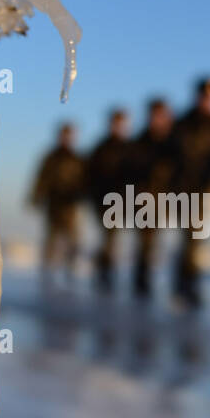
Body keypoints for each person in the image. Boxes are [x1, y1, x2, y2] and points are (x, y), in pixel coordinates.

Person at [170, 76, 210, 307]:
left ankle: (188, 284)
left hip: (208, 191)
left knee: (197, 239)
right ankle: (186, 286)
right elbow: (167, 157)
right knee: (191, 239)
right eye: (206, 97)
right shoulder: (182, 125)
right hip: (184, 191)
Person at [125, 97, 178, 299]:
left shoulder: (173, 143)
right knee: (146, 241)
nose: (157, 120)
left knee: (183, 239)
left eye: (161, 116)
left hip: (171, 198)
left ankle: (179, 283)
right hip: (144, 199)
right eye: (155, 115)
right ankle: (142, 281)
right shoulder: (139, 142)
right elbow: (129, 171)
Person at [27, 122, 86, 282]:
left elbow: (85, 181)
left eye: (69, 135)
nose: (66, 138)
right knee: (51, 240)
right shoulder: (51, 158)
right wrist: (35, 197)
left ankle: (71, 272)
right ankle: (47, 273)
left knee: (73, 241)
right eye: (64, 135)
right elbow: (41, 179)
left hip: (70, 208)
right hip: (53, 206)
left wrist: (83, 196)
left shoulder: (78, 159)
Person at [85, 107, 131, 293]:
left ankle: (109, 274)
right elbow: (89, 175)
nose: (119, 127)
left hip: (124, 201)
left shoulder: (129, 148)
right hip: (105, 203)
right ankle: (104, 275)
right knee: (109, 239)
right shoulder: (101, 149)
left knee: (115, 240)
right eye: (116, 123)